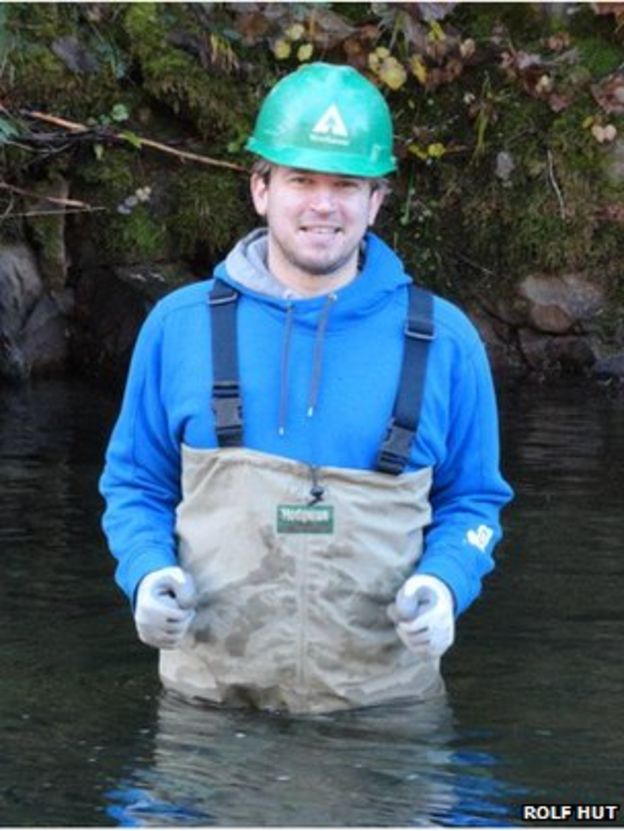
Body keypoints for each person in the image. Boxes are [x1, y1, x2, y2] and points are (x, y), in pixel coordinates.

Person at [100, 62, 513, 715]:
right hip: (206, 715)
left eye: (346, 183)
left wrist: (446, 582)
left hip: (384, 712)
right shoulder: (177, 326)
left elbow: (476, 502)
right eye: (301, 179)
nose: (324, 204)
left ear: (376, 201)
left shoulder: (445, 340)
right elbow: (134, 486)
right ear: (261, 189)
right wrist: (145, 573)